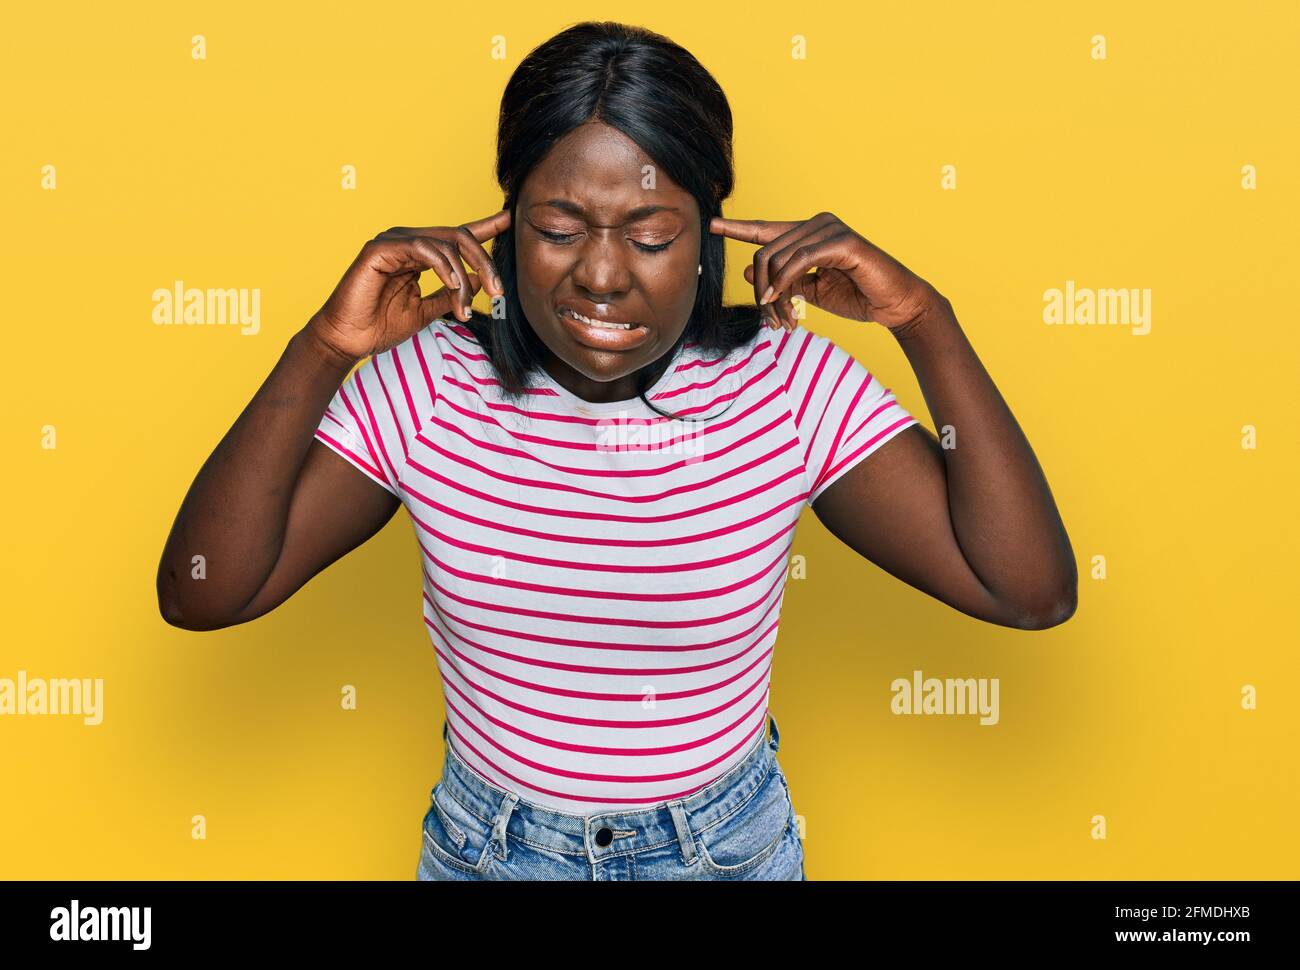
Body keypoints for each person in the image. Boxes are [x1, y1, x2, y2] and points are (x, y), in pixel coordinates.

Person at [156, 21, 1076, 881]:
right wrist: (324, 348)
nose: (600, 273)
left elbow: (1026, 590)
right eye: (557, 230)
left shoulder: (786, 384)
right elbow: (206, 592)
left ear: (711, 232)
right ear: (506, 224)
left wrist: (924, 319)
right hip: (491, 852)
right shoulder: (427, 386)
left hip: (725, 850)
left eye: (649, 236)